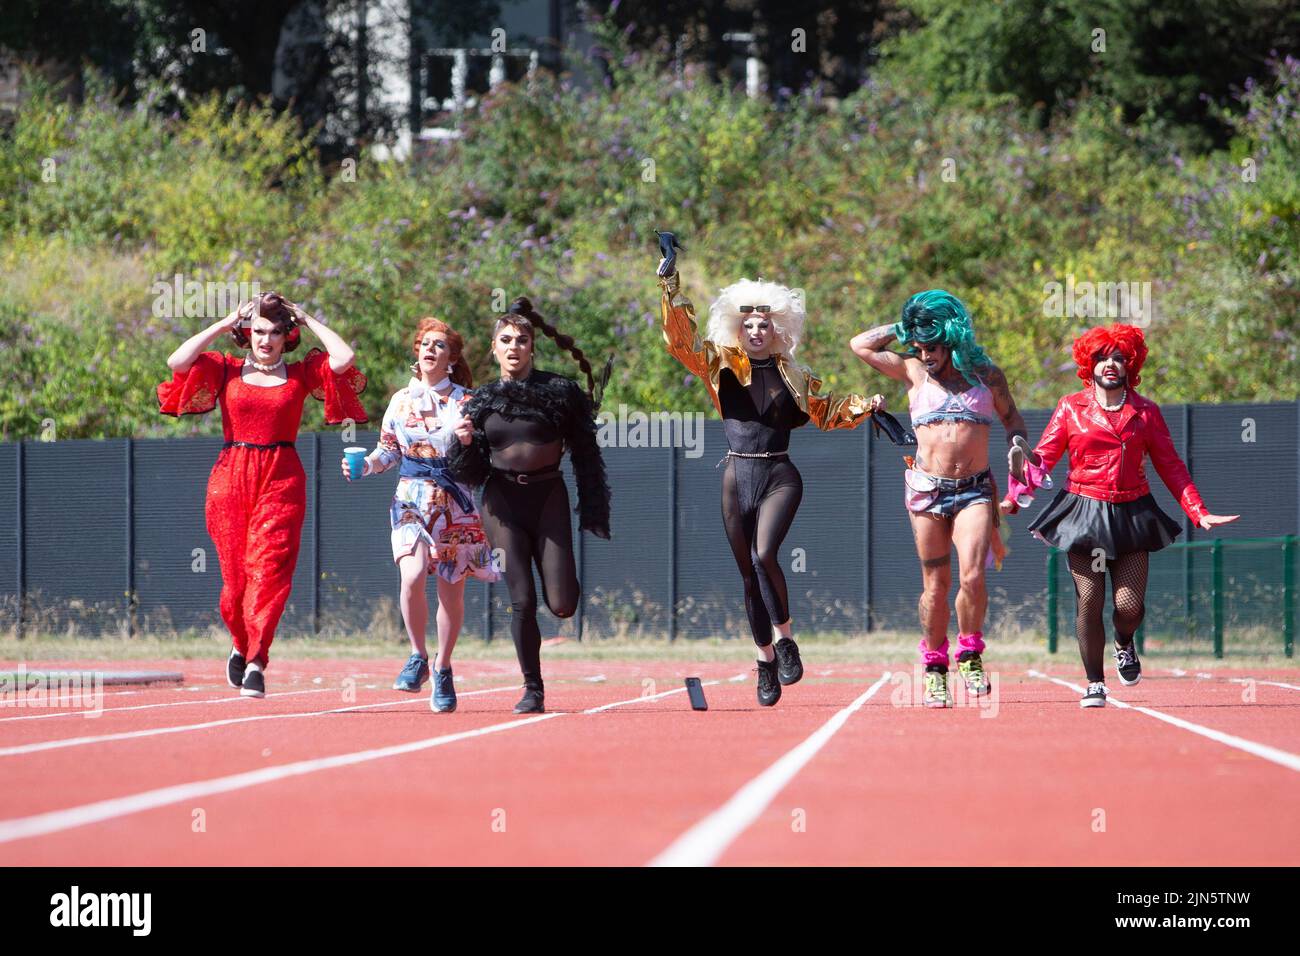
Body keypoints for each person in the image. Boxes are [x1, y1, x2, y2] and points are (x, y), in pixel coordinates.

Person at [657, 231, 894, 707]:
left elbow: (827, 411)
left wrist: (868, 406)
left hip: (779, 474)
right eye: (749, 325)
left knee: (766, 554)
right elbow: (680, 342)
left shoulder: (795, 375)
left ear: (778, 328)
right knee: (748, 575)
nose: (757, 331)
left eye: (765, 324)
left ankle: (786, 641)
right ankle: (764, 660)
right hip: (735, 476)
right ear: (737, 329)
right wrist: (669, 285)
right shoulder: (719, 364)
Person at [1001, 323, 1239, 707]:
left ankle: (1124, 642)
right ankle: (1095, 682)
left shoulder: (1146, 412)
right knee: (1089, 600)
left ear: (1131, 364)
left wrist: (1198, 510)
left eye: (1118, 358)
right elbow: (1041, 460)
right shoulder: (1069, 407)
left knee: (1129, 607)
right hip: (1083, 513)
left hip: (1131, 512)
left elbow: (1171, 465)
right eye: (1101, 357)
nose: (1110, 364)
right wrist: (1016, 493)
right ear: (1088, 365)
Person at [158, 292, 367, 698]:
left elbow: (343, 359)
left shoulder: (302, 372)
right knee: (235, 585)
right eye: (257, 331)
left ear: (287, 335)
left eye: (274, 331)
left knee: (269, 571)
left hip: (282, 478)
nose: (265, 339)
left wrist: (307, 318)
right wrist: (222, 324)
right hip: (231, 478)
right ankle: (240, 643)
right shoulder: (225, 369)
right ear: (246, 334)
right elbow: (176, 363)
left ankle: (257, 661)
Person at [851, 290, 1027, 708]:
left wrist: (1019, 445)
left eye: (934, 345)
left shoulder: (988, 376)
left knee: (972, 576)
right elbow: (860, 344)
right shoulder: (913, 372)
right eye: (920, 345)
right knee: (936, 585)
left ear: (952, 338)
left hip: (974, 491)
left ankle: (970, 654)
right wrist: (906, 326)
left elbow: (1012, 418)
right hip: (927, 491)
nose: (926, 353)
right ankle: (933, 668)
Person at [447, 297, 610, 715]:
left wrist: (593, 507)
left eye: (521, 339)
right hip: (502, 504)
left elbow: (587, 453)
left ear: (532, 348)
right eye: (506, 340)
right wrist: (463, 442)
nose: (514, 346)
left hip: (548, 497)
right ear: (494, 348)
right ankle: (532, 688)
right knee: (521, 600)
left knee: (562, 605)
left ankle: (559, 608)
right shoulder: (480, 402)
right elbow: (468, 472)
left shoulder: (559, 391)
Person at [343, 317, 498, 712]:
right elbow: (389, 450)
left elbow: (484, 458)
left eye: (440, 345)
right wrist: (366, 466)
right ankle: (417, 656)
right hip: (410, 497)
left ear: (451, 357)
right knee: (411, 576)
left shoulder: (468, 401)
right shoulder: (400, 400)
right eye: (425, 344)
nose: (431, 350)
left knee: (450, 587)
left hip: (455, 501)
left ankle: (443, 667)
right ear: (417, 351)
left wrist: (467, 440)